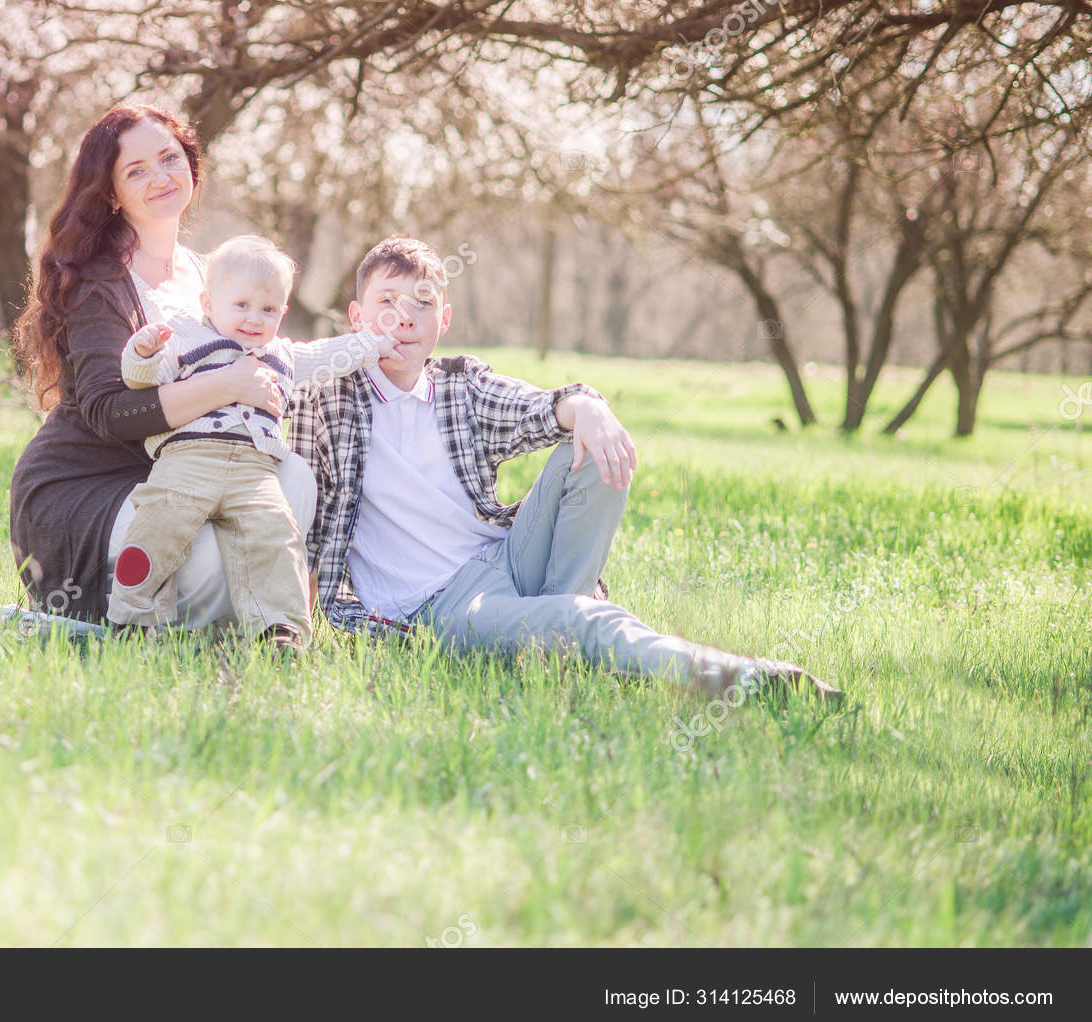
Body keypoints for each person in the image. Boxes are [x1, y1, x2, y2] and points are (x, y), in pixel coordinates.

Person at [286, 236, 844, 701]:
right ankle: (747, 681)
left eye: (422, 304)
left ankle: (557, 640)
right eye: (387, 302)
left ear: (444, 320)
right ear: (356, 318)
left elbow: (540, 406)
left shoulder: (459, 386)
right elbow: (273, 386)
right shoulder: (327, 397)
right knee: (582, 621)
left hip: (506, 559)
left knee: (592, 447)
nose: (404, 318)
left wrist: (589, 407)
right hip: (441, 607)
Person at [7, 105, 317, 626]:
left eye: (170, 158)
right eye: (136, 171)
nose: (160, 177)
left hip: (188, 469)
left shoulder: (208, 273)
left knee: (294, 478)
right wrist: (229, 385)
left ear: (191, 165)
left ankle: (261, 629)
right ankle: (125, 623)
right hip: (90, 483)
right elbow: (111, 412)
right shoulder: (98, 284)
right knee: (200, 563)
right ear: (111, 193)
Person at [108, 235, 394, 648]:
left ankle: (279, 630)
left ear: (283, 312)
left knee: (275, 535)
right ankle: (134, 617)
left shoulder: (283, 355)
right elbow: (143, 379)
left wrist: (374, 343)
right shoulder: (187, 339)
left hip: (254, 467)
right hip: (189, 459)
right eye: (241, 305)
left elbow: (330, 353)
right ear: (208, 304)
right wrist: (142, 352)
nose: (254, 319)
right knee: (160, 521)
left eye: (268, 309)